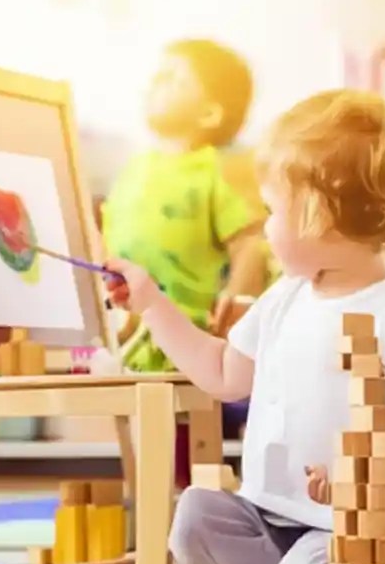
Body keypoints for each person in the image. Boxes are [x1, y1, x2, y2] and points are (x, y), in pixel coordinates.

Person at [104, 89, 385, 564]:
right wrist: (150, 303)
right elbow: (223, 373)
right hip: (273, 517)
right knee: (193, 519)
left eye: (271, 210)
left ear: (319, 214)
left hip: (369, 529)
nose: (263, 227)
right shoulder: (285, 297)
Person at [101, 38, 268, 373]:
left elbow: (250, 244)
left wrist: (237, 307)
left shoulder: (217, 169)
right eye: (157, 75)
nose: (154, 84)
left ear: (209, 113)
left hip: (190, 343)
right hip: (124, 340)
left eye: (171, 79)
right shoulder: (133, 169)